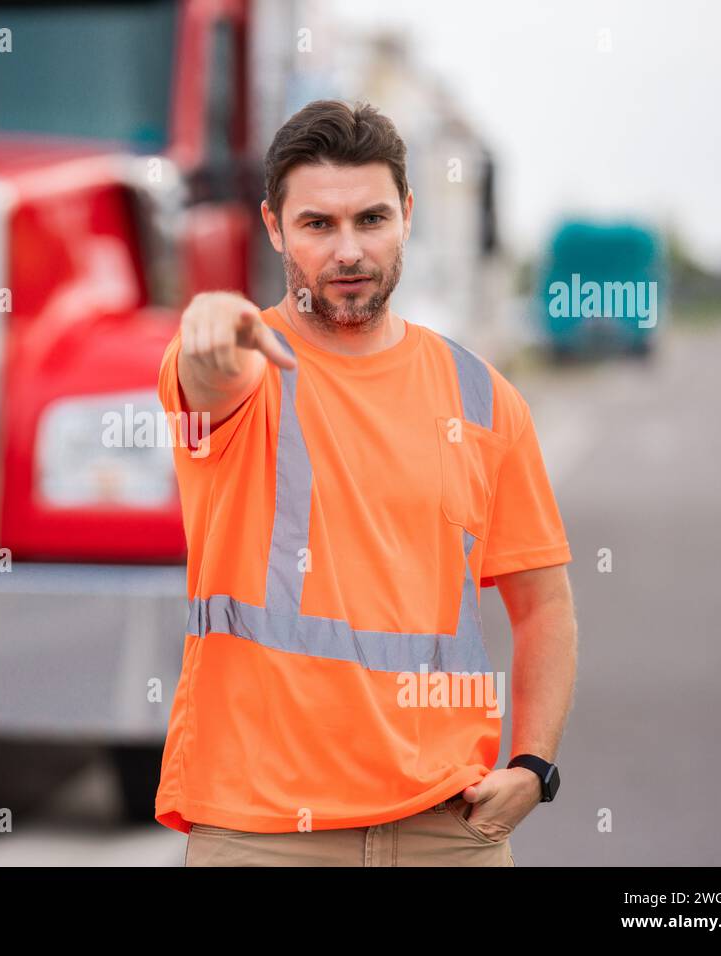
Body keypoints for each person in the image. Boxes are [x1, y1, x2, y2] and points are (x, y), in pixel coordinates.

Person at [154, 99, 577, 866]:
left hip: (448, 828)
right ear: (275, 227)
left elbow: (542, 602)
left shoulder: (482, 398)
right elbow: (207, 371)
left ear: (408, 216)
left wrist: (534, 766)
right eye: (318, 224)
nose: (348, 250)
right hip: (264, 830)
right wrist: (211, 322)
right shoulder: (248, 367)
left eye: (371, 219)